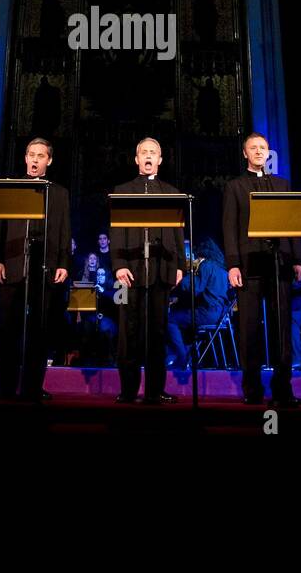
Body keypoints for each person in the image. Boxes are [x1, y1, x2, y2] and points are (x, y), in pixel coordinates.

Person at [223, 132, 301, 406]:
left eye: (263, 148)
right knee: (249, 327)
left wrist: (297, 259)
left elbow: (292, 224)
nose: (259, 152)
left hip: (279, 262)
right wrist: (232, 264)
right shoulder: (234, 186)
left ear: (269, 153)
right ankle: (252, 388)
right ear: (245, 153)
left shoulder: (283, 184)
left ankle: (283, 388)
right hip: (248, 264)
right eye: (253, 148)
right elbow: (230, 228)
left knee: (282, 326)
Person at [0, 138, 71, 401]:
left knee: (39, 332)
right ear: (25, 158)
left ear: (49, 160)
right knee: (9, 330)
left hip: (44, 269)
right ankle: (6, 387)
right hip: (13, 265)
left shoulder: (59, 193)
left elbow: (63, 232)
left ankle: (33, 386)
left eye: (41, 155)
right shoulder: (11, 187)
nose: (35, 160)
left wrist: (63, 264)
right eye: (31, 155)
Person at [111, 137, 184, 404]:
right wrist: (118, 265)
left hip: (161, 270)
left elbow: (178, 233)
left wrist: (180, 267)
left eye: (153, 152)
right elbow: (116, 232)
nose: (149, 156)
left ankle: (155, 391)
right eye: (144, 152)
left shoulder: (172, 192)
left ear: (160, 160)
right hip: (126, 274)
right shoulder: (122, 190)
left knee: (158, 332)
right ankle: (128, 390)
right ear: (136, 159)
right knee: (127, 333)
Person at [167, 237, 231, 369]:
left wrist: (182, 280)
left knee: (170, 319)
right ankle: (184, 354)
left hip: (208, 313)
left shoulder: (207, 265)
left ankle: (181, 355)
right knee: (185, 320)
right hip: (221, 316)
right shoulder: (222, 268)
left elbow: (196, 288)